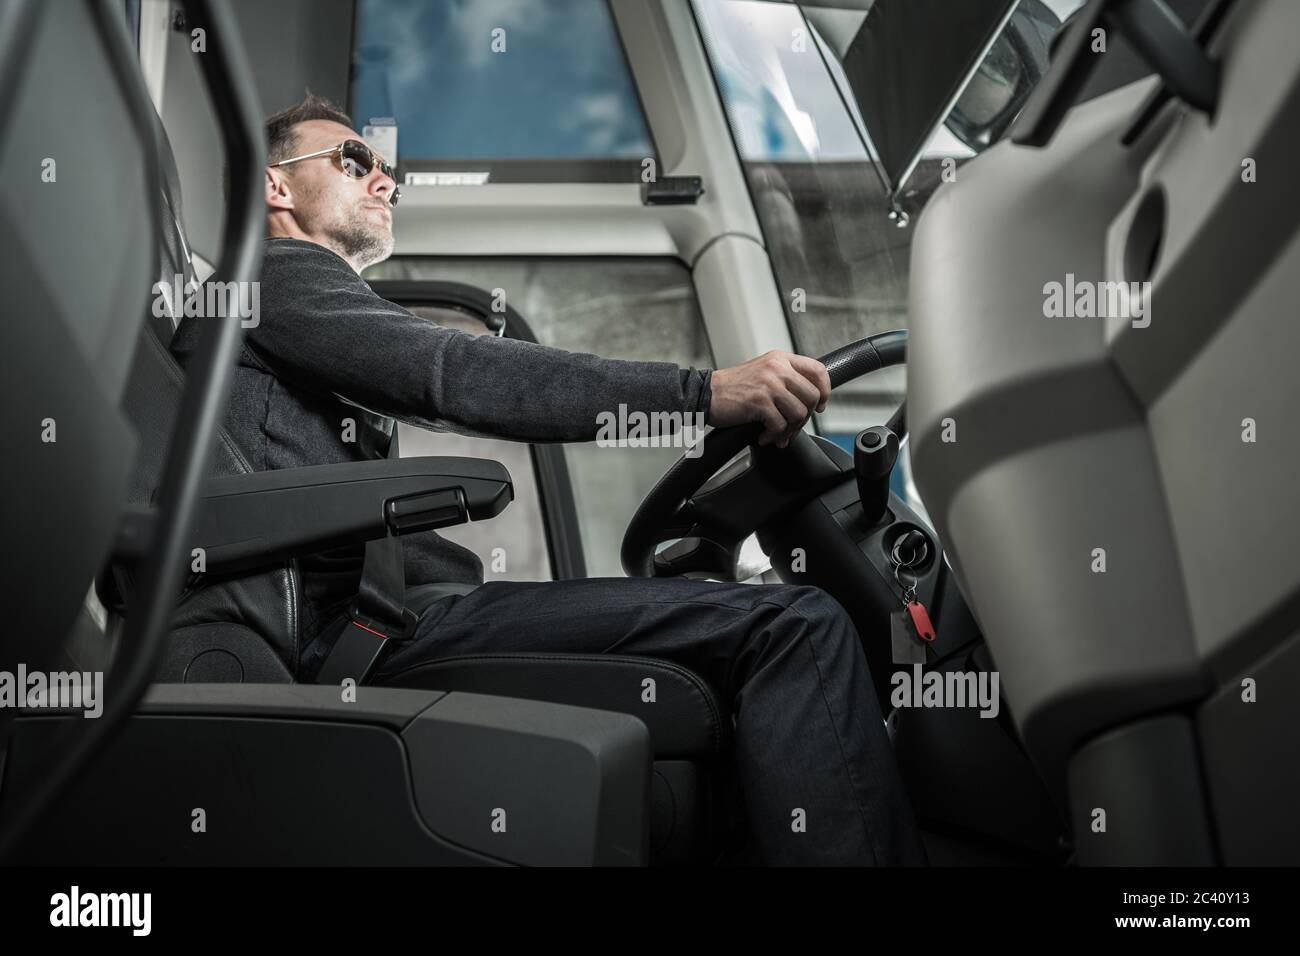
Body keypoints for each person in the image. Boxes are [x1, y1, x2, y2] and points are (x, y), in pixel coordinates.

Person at [174, 93, 925, 866]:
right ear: (275, 186)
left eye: (389, 171)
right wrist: (702, 394)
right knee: (793, 627)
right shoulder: (272, 276)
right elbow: (451, 373)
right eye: (355, 161)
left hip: (389, 626)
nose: (384, 182)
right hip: (371, 641)